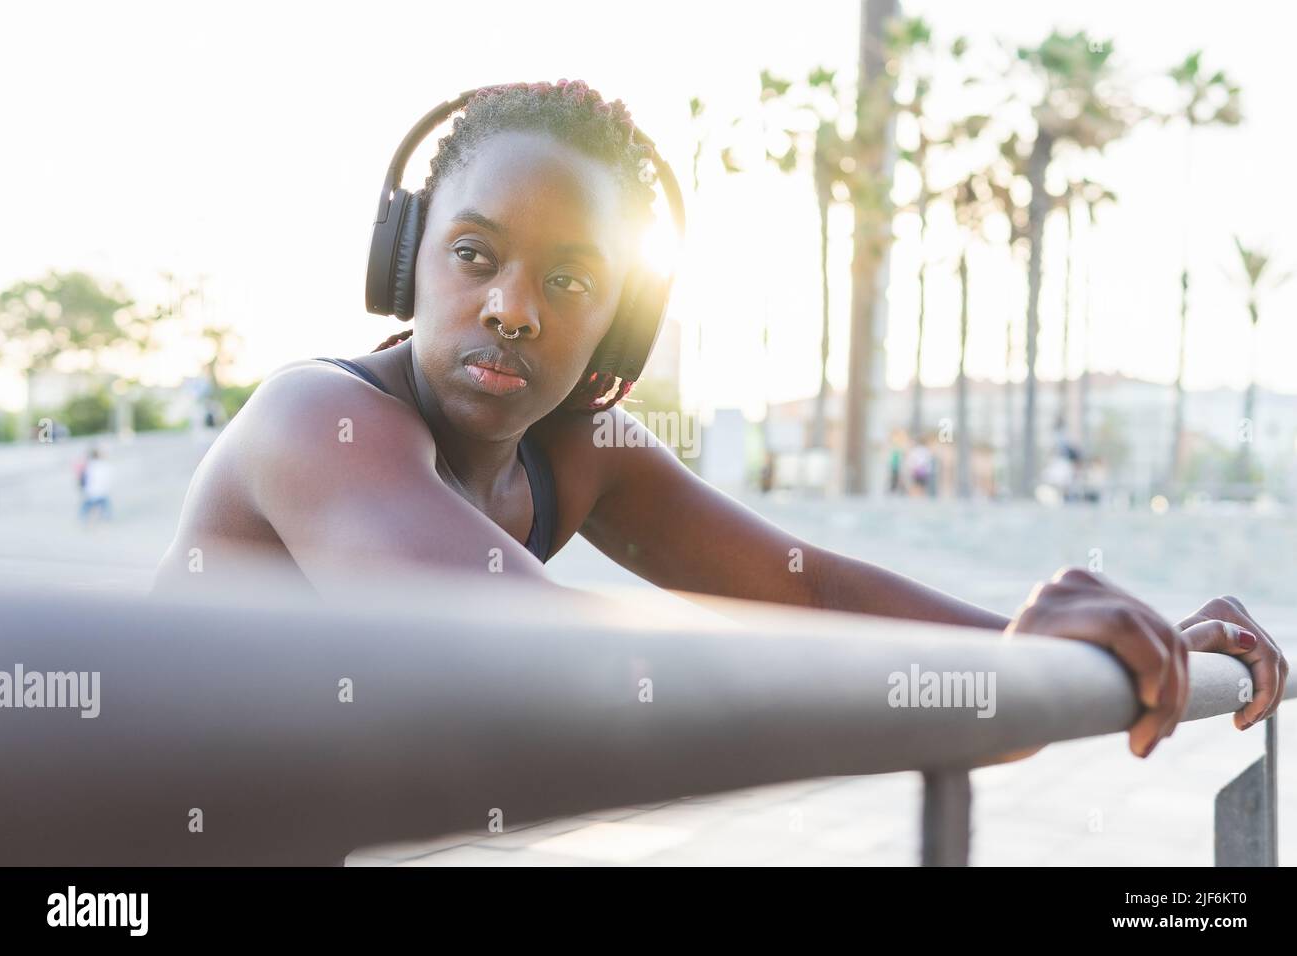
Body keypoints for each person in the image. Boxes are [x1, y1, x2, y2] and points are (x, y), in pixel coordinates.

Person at [151, 79, 1286, 761]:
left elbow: (805, 587)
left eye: (570, 280)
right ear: (403, 259)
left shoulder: (578, 445)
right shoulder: (318, 422)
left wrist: (1046, 652)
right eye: (473, 254)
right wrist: (1002, 686)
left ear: (624, 329)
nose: (510, 306)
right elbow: (525, 648)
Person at [79, 447, 113, 525]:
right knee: (105, 508)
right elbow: (109, 478)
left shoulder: (89, 466)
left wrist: (83, 488)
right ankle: (107, 521)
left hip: (91, 491)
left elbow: (83, 479)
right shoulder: (104, 465)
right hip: (102, 491)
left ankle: (83, 521)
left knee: (85, 508)